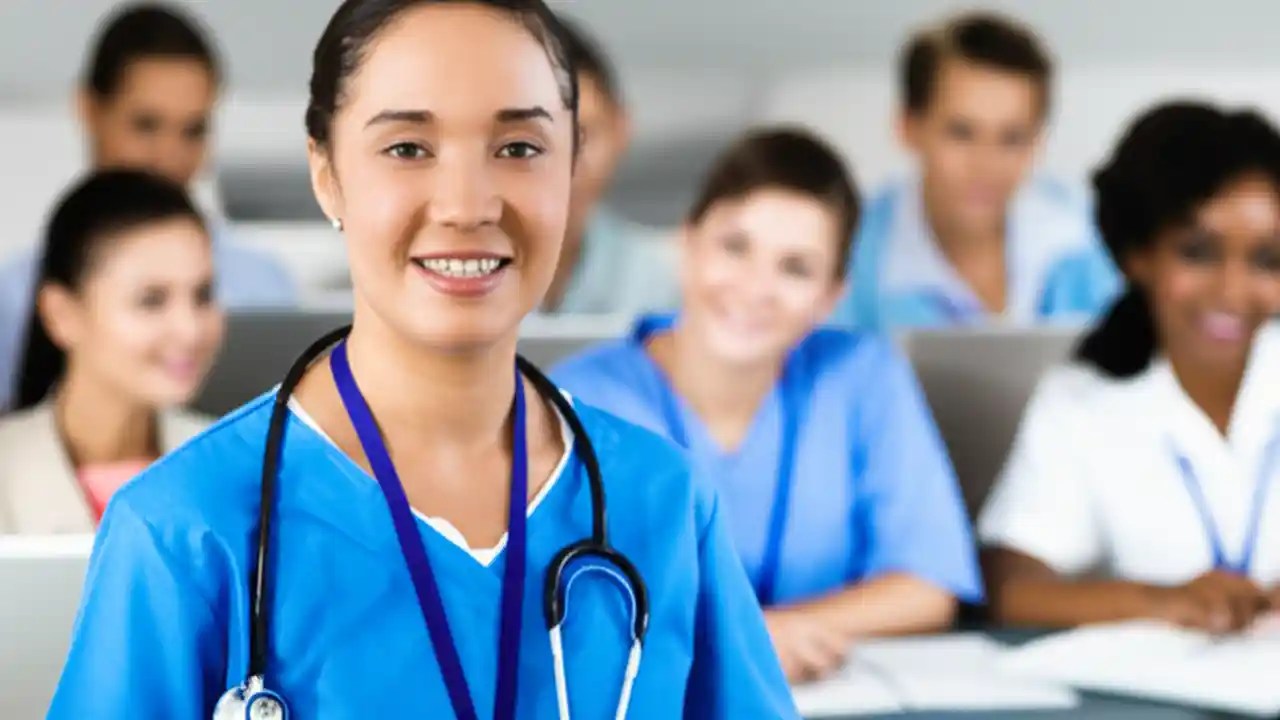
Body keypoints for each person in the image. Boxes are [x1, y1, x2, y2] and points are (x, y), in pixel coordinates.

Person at [48, 2, 796, 718]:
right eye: (408, 148)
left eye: (519, 148)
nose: (467, 205)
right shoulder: (185, 529)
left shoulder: (664, 506)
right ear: (326, 173)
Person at [553, 127, 982, 683]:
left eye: (796, 268)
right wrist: (745, 641)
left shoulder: (864, 375)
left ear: (831, 296)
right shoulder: (579, 399)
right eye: (735, 247)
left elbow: (927, 588)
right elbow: (556, 603)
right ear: (687, 244)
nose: (756, 288)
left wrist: (775, 633)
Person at [980, 101, 1280, 632]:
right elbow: (1014, 591)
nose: (1233, 291)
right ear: (1137, 254)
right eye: (1198, 252)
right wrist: (1160, 601)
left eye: (1267, 261)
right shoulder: (1081, 401)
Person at [0, 3, 294, 411]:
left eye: (193, 130)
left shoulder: (263, 287)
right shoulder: (16, 295)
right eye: (146, 125)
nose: (169, 157)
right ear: (89, 110)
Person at [836, 12, 1117, 330]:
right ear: (908, 127)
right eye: (961, 133)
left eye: (1012, 138)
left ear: (1037, 142)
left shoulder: (1095, 235)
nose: (986, 166)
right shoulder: (848, 255)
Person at [0, 170, 223, 534]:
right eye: (151, 300)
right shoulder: (8, 469)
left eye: (203, 295)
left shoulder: (241, 465)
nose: (190, 329)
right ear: (61, 314)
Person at [537, 15, 679, 316]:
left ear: (621, 128)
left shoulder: (661, 280)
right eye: (529, 142)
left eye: (583, 134)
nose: (565, 165)